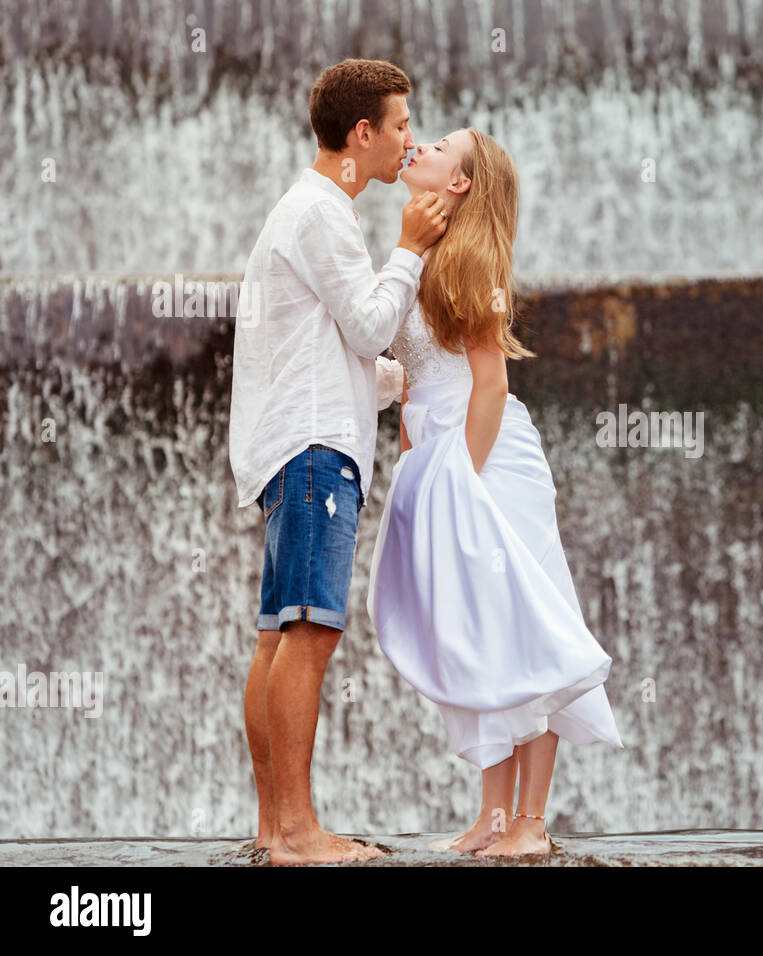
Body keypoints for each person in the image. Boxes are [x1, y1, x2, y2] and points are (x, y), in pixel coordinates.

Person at [366, 128, 624, 858]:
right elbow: (413, 383)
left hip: (488, 462)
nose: (421, 144)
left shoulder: (473, 265)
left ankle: (532, 823)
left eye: (441, 144)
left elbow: (491, 383)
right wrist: (418, 466)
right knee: (480, 633)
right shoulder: (414, 260)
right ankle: (492, 819)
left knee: (525, 629)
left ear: (462, 184)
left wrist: (463, 481)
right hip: (438, 461)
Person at [229, 58, 449, 865]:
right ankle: (298, 832)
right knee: (312, 634)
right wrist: (412, 250)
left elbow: (337, 352)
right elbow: (365, 328)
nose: (408, 140)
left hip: (293, 443)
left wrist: (407, 384)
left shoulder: (301, 210)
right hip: (317, 452)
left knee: (278, 634)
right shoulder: (325, 214)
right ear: (363, 133)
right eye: (399, 125)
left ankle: (272, 830)